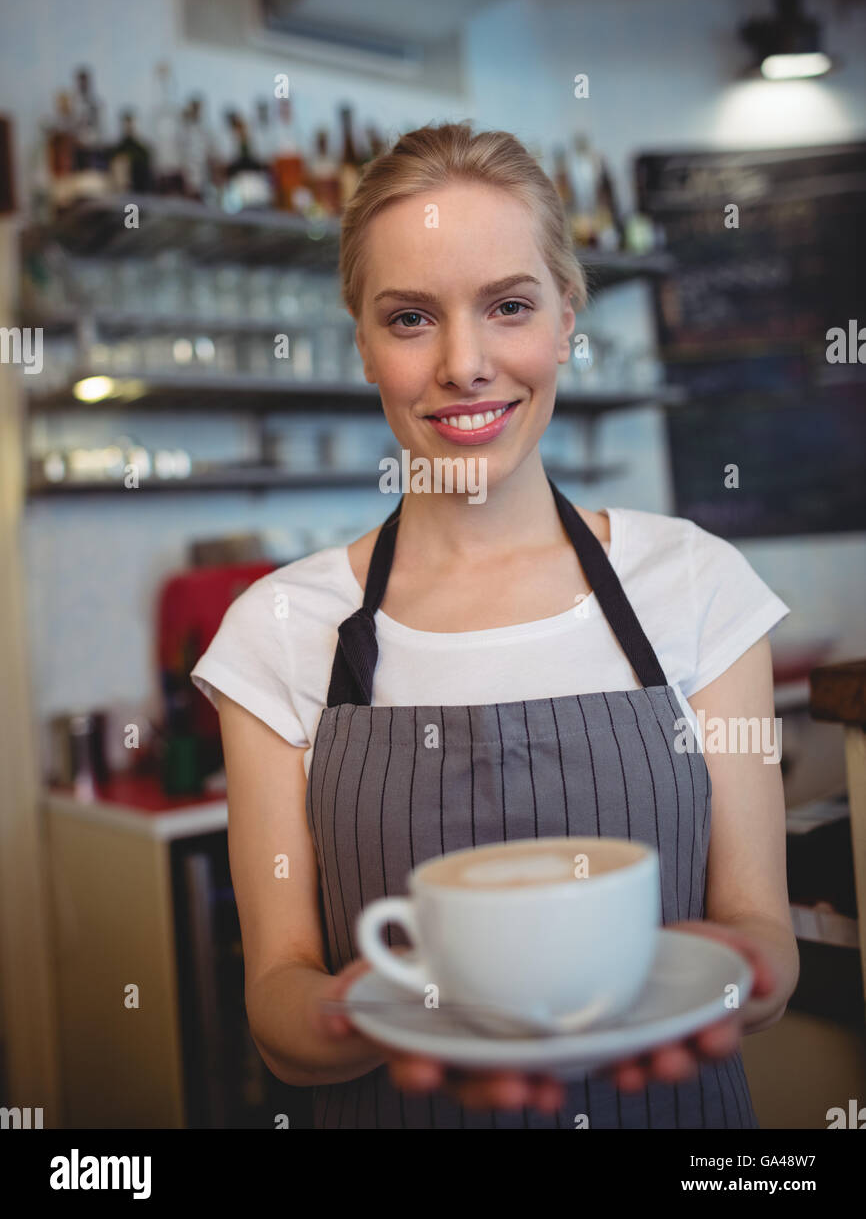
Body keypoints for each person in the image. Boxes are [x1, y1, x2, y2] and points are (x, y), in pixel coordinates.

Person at [191, 122, 799, 1129]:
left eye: (507, 306)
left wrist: (742, 974)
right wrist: (359, 1014)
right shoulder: (279, 631)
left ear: (566, 318)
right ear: (363, 344)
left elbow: (758, 939)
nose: (464, 364)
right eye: (410, 318)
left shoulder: (697, 585)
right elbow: (278, 1006)